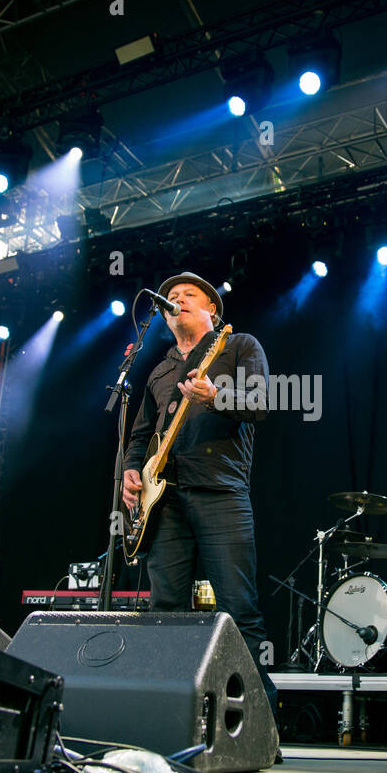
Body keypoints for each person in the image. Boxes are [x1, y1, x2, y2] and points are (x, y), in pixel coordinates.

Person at [121, 272, 278, 720]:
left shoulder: (238, 345)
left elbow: (261, 403)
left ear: (212, 307)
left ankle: (258, 723)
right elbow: (139, 437)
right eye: (170, 298)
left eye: (188, 295)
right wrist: (131, 472)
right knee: (163, 608)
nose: (176, 301)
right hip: (163, 502)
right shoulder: (161, 368)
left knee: (238, 608)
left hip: (220, 492)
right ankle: (161, 718)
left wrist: (216, 395)